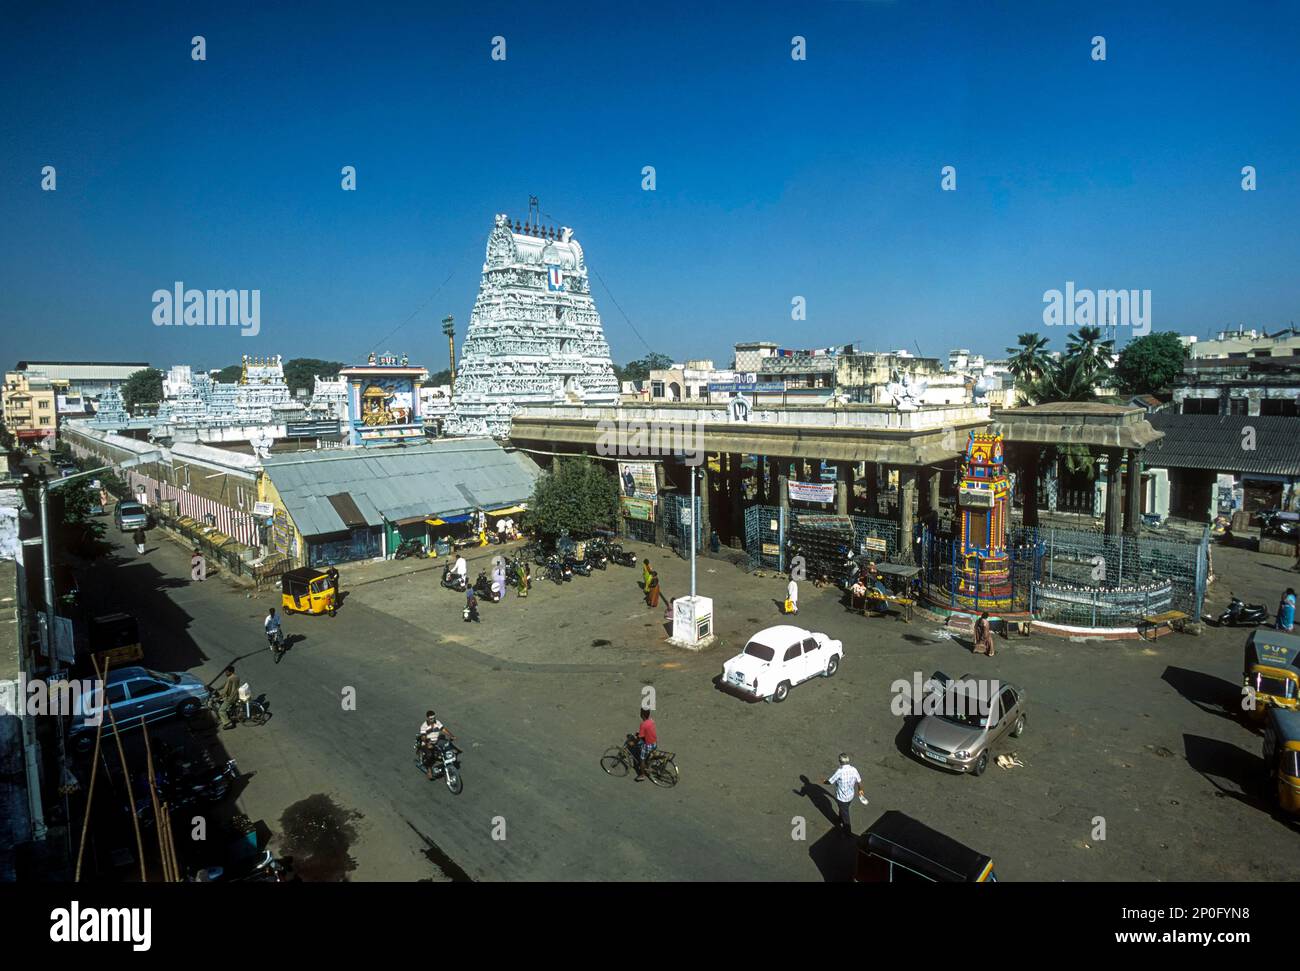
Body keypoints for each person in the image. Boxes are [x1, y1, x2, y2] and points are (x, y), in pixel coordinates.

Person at [824, 753, 865, 834]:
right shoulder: (854, 769)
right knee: (844, 810)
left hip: (842, 798)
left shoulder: (839, 771)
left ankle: (847, 832)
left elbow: (830, 781)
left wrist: (824, 781)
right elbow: (859, 782)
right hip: (850, 796)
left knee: (846, 816)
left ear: (840, 761)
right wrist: (860, 790)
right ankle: (839, 818)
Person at [418, 710, 456, 780]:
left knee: (446, 746)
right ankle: (429, 771)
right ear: (427, 718)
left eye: (434, 718)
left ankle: (448, 763)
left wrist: (451, 735)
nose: (433, 720)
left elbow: (443, 729)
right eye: (431, 718)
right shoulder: (424, 726)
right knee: (430, 755)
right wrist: (427, 743)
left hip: (436, 741)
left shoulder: (437, 722)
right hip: (426, 743)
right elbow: (423, 737)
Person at [634, 708, 658, 781]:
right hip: (654, 742)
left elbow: (639, 738)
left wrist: (633, 742)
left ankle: (642, 775)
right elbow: (647, 732)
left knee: (642, 759)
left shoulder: (643, 724)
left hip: (648, 745)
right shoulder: (651, 721)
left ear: (642, 715)